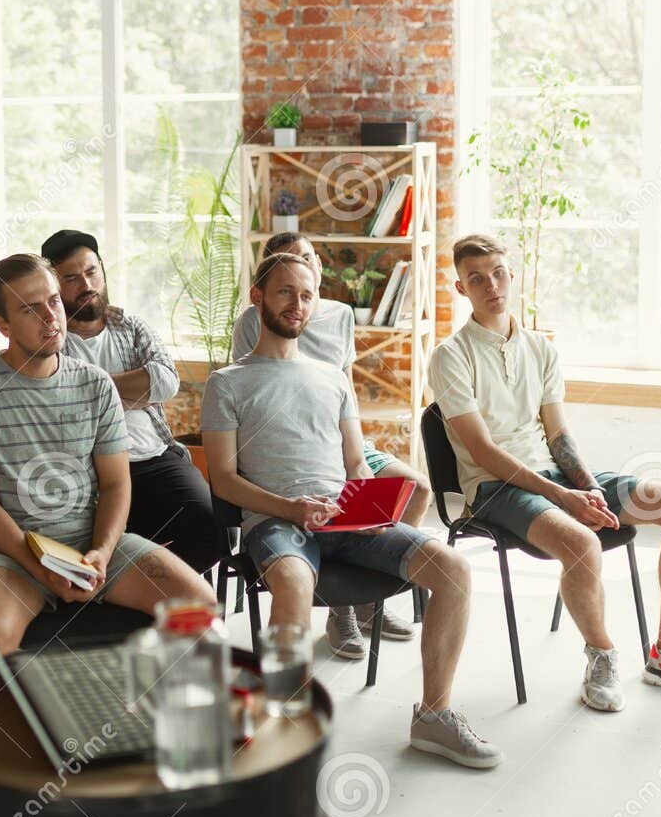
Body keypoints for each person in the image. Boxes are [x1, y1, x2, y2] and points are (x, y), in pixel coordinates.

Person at [204, 252, 502, 769]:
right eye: (284, 292)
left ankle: (433, 717)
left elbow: (355, 464)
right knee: (295, 583)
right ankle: (288, 730)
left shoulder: (331, 377)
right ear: (257, 297)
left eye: (306, 294)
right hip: (276, 523)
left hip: (345, 519)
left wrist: (367, 508)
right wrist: (291, 508)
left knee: (452, 569)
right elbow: (224, 480)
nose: (297, 304)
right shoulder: (227, 382)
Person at [430, 234, 661, 713]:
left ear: (511, 276)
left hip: (554, 477)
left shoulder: (541, 349)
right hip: (496, 488)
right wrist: (563, 500)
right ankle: (602, 655)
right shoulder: (451, 356)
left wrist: (589, 489)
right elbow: (480, 448)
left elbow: (558, 436)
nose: (491, 285)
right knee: (582, 544)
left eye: (498, 273)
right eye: (476, 278)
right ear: (461, 289)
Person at [0, 253, 217, 665]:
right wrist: (40, 568)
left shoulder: (96, 384)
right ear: (2, 324)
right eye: (30, 309)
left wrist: (102, 552)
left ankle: (147, 720)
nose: (51, 316)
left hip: (89, 546)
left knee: (198, 607)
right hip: (7, 553)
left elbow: (116, 483)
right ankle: (8, 730)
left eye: (53, 300)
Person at [231, 231, 428, 655]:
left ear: (317, 267)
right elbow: (258, 390)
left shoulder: (340, 315)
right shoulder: (252, 324)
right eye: (285, 282)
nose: (298, 296)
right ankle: (344, 610)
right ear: (262, 292)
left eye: (307, 261)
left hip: (340, 426)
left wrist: (352, 453)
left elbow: (345, 384)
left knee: (416, 487)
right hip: (294, 437)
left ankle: (366, 601)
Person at [40, 228, 218, 575]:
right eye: (72, 278)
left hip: (153, 457)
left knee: (208, 527)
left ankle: (149, 597)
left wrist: (96, 388)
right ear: (55, 286)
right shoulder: (52, 340)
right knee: (88, 542)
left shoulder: (130, 326)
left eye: (92, 272)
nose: (86, 284)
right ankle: (128, 595)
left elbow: (166, 381)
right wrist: (134, 388)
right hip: (90, 469)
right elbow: (62, 400)